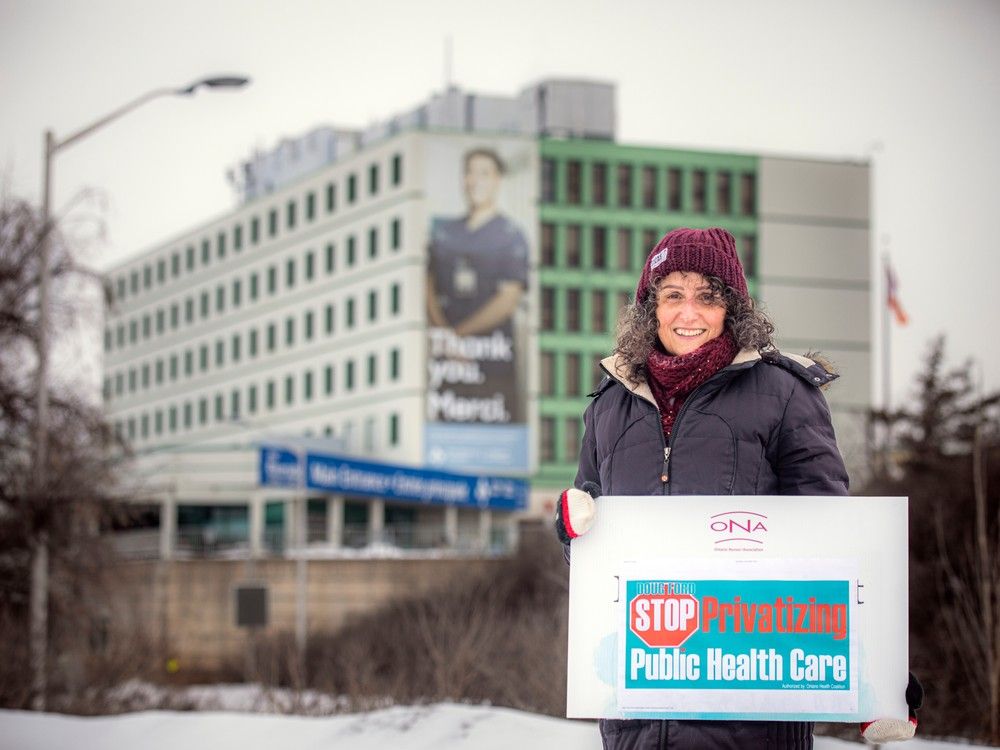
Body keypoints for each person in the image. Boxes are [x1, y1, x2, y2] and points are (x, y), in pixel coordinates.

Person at [554, 227, 921, 748]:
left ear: (733, 308)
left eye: (708, 296)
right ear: (649, 307)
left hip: (752, 722)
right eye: (673, 295)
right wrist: (571, 530)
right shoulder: (609, 407)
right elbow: (593, 559)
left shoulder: (784, 394)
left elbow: (834, 544)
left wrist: (879, 678)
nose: (689, 313)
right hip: (637, 720)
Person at [426, 148, 529, 423]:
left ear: (497, 180)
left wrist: (456, 336)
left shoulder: (511, 236)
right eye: (469, 172)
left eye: (484, 173)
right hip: (447, 365)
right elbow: (429, 286)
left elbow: (508, 300)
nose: (475, 180)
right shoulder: (443, 231)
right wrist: (443, 336)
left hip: (492, 362)